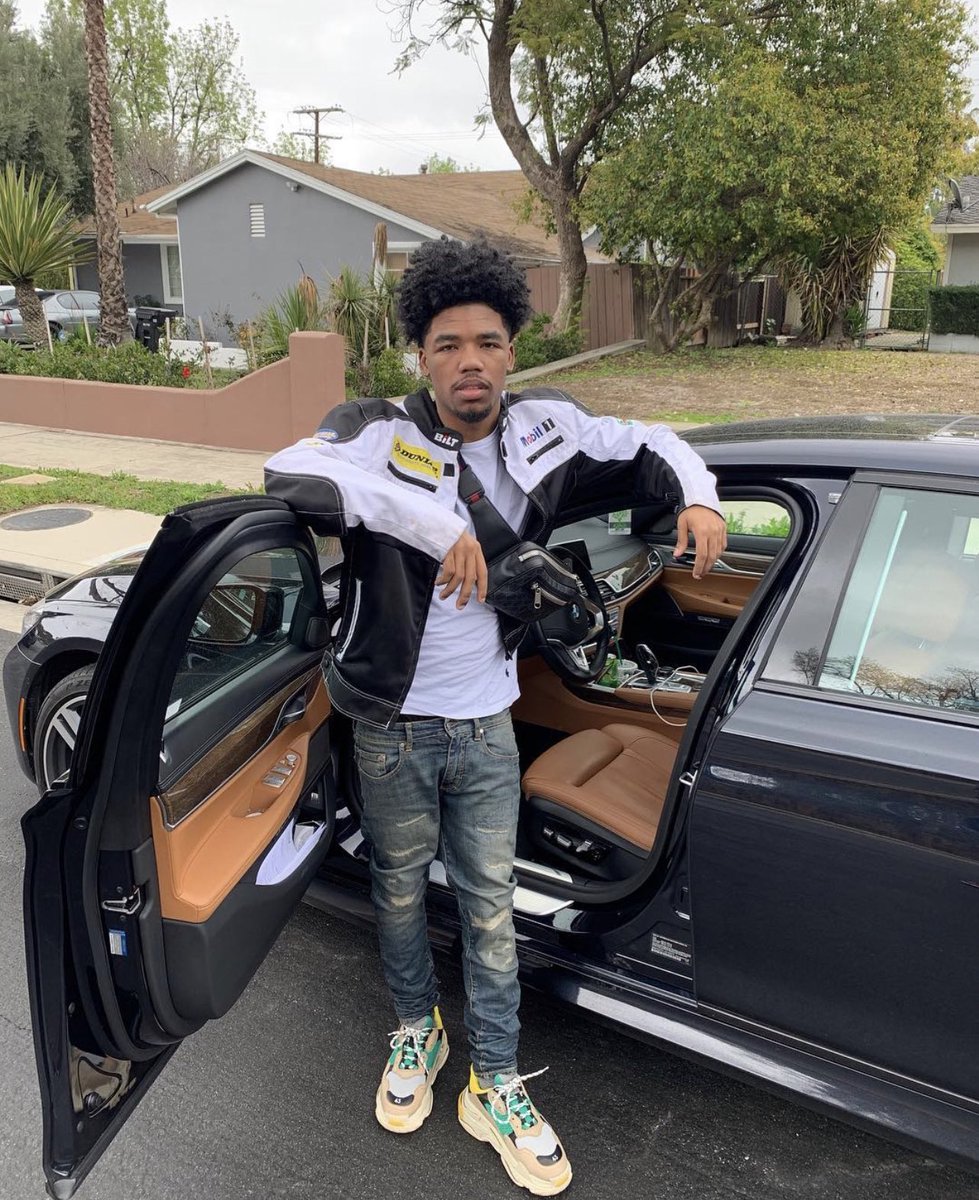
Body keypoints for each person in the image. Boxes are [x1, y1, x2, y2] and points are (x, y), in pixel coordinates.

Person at [264, 238, 726, 1196]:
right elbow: (288, 471)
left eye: (486, 342)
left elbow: (650, 438)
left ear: (512, 350)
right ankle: (415, 1029)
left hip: (485, 723)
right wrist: (436, 527)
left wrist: (701, 499)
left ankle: (497, 1081)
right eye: (447, 345)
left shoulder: (547, 428)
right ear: (421, 357)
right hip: (391, 723)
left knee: (488, 907)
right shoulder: (374, 431)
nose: (468, 361)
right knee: (398, 890)